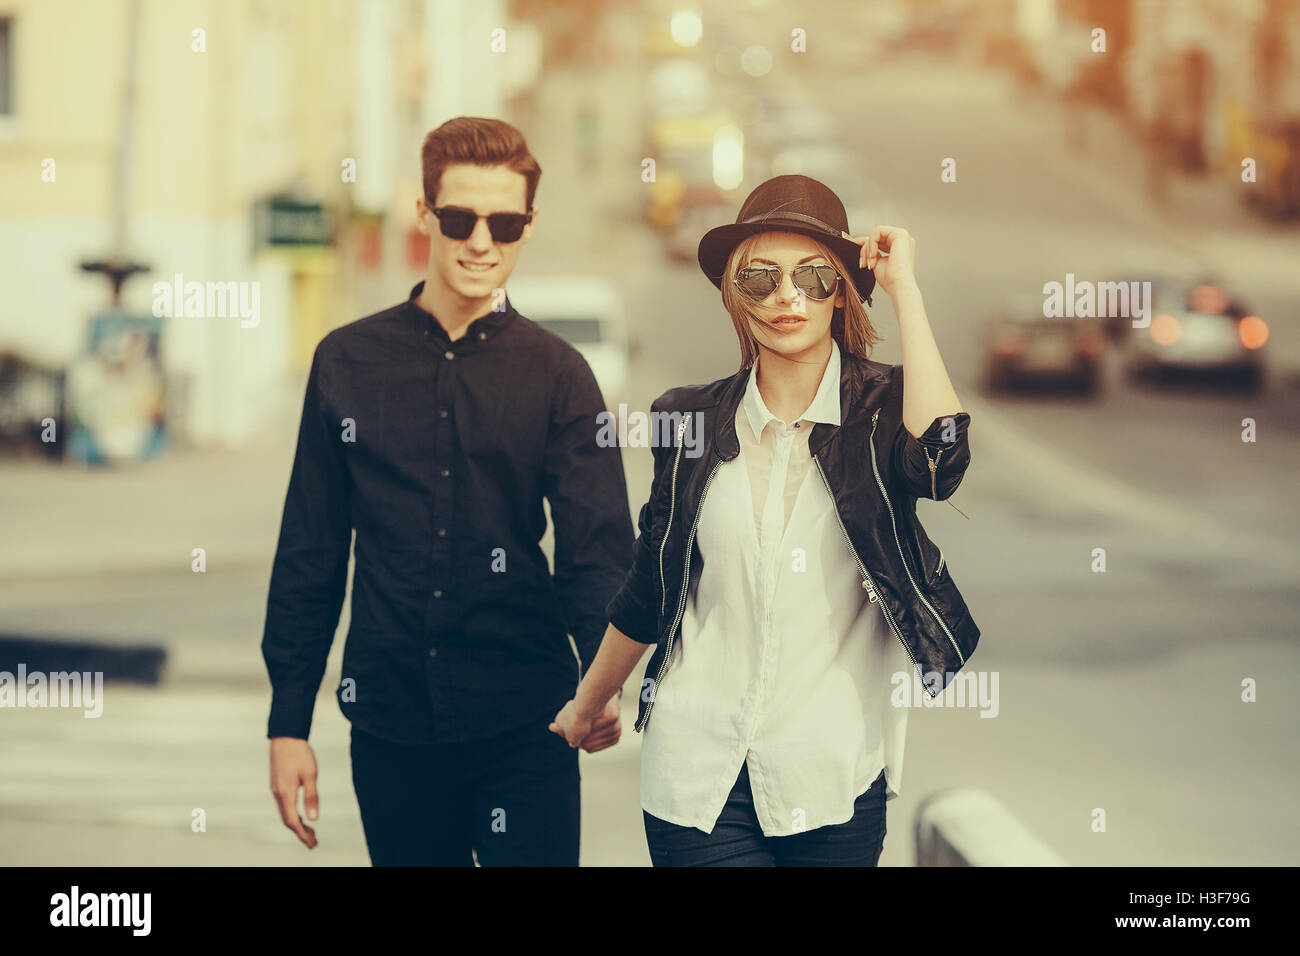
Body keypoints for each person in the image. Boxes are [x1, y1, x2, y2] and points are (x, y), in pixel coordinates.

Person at [551, 174, 982, 866]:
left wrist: (906, 291)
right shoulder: (686, 418)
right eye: (761, 278)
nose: (789, 296)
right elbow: (651, 586)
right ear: (734, 293)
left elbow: (940, 463)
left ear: (842, 288)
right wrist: (589, 701)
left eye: (815, 277)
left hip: (833, 777)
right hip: (697, 781)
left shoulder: (883, 411)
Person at [261, 116, 632, 866]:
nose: (481, 242)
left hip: (528, 722)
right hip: (390, 725)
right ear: (424, 213)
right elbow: (312, 547)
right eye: (460, 217)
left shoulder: (561, 376)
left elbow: (595, 549)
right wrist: (288, 722)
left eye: (505, 222)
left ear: (529, 223)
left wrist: (600, 683)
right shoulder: (345, 362)